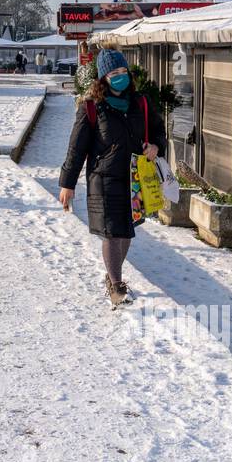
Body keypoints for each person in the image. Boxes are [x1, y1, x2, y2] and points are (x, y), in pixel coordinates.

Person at [58, 49, 167, 307]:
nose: (120, 77)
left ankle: (112, 277)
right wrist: (67, 184)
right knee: (112, 231)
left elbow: (160, 131)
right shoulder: (91, 108)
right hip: (103, 178)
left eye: (122, 71)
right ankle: (116, 285)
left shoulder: (140, 103)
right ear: (103, 78)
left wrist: (156, 147)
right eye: (113, 73)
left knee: (127, 231)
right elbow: (77, 148)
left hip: (134, 177)